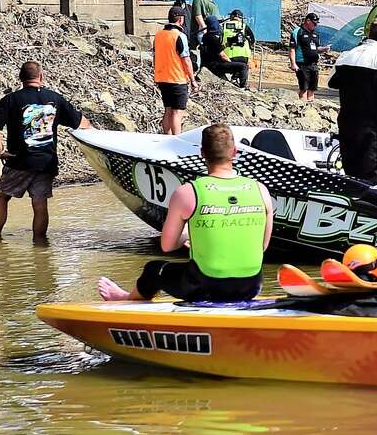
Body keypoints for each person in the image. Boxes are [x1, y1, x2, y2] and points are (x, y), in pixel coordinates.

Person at [97, 123, 274, 303]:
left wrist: (187, 235)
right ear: (235, 152)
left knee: (154, 269)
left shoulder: (188, 192)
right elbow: (262, 246)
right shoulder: (260, 190)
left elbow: (167, 245)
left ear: (202, 153)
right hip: (251, 286)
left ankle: (126, 298)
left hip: (205, 287)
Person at [0, 61, 91, 243]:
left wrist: (0, 151)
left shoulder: (11, 99)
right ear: (41, 77)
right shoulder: (55, 99)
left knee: (2, 196)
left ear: (21, 79)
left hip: (19, 161)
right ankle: (40, 243)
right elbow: (82, 123)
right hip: (46, 162)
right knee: (40, 203)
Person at [329, 17, 377, 184]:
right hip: (371, 127)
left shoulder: (346, 56)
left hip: (347, 123)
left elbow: (332, 82)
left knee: (350, 172)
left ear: (368, 33)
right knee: (373, 176)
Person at [154, 4, 197, 135]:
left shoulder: (158, 35)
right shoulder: (179, 36)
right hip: (177, 79)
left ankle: (166, 137)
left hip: (162, 78)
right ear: (181, 20)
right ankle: (176, 140)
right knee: (177, 112)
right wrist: (193, 80)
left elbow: (155, 56)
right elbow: (186, 59)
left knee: (168, 110)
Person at [200, 16, 250, 88]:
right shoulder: (214, 39)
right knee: (243, 66)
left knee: (236, 63)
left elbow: (216, 49)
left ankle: (234, 81)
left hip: (210, 62)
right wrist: (230, 62)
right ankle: (243, 87)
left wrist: (228, 44)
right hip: (215, 65)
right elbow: (222, 55)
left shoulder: (206, 36)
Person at [289, 11, 326, 101]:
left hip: (313, 64)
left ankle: (311, 107)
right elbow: (292, 49)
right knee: (304, 88)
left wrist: (324, 49)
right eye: (314, 23)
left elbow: (316, 48)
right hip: (302, 63)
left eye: (316, 24)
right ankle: (303, 106)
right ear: (308, 21)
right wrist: (293, 63)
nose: (315, 25)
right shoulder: (297, 32)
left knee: (312, 88)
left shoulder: (316, 34)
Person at [189, 0, 219, 67]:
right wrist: (204, 28)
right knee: (207, 51)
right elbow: (198, 15)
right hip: (204, 31)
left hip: (213, 30)